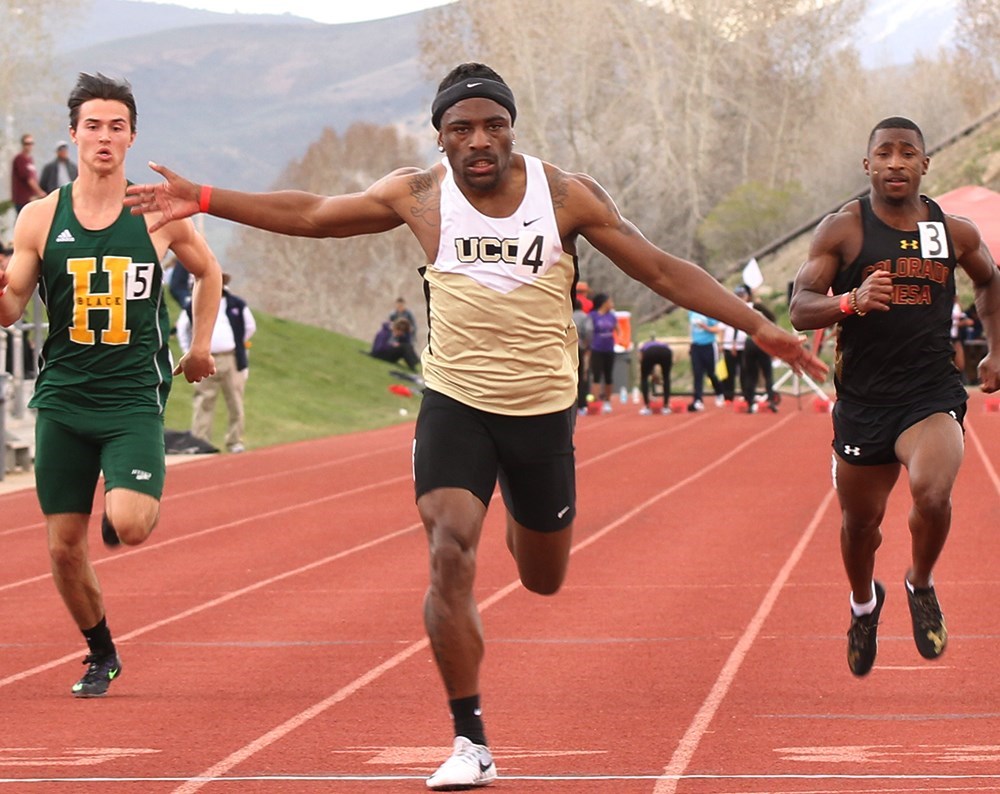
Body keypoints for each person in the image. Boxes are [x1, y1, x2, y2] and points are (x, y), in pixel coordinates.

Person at [123, 61, 825, 789]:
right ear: (442, 138)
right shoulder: (420, 196)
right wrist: (200, 196)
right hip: (456, 401)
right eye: (463, 129)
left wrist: (757, 326)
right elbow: (312, 214)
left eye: (494, 126)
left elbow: (660, 269)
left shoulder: (565, 196)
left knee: (543, 576)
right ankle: (470, 740)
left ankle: (526, 515)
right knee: (449, 548)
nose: (480, 140)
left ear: (512, 129)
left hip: (542, 408)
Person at [0, 73, 222, 698]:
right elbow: (14, 304)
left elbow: (210, 274)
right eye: (92, 125)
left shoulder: (156, 212)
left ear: (131, 135)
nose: (104, 136)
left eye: (116, 126)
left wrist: (199, 346)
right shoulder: (40, 217)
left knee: (128, 525)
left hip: (131, 400)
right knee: (63, 549)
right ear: (72, 135)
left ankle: (121, 494)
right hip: (63, 400)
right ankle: (101, 652)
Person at [789, 116, 1000, 678]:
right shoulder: (843, 230)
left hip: (930, 393)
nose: (895, 162)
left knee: (932, 494)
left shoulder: (952, 231)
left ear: (925, 164)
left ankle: (921, 584)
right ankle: (864, 605)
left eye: (908, 153)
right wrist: (851, 302)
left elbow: (990, 279)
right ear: (868, 165)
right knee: (861, 525)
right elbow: (800, 305)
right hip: (862, 403)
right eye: (884, 152)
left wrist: (995, 350)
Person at [175, 272, 256, 453]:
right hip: (204, 359)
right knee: (204, 399)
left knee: (235, 400)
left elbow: (250, 326)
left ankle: (235, 441)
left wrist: (237, 344)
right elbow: (182, 329)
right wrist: (189, 353)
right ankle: (200, 441)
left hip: (231, 357)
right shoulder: (192, 305)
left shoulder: (236, 303)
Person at [739, 286, 780, 413]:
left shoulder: (740, 307)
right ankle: (771, 401)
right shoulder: (757, 306)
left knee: (751, 375)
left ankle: (750, 404)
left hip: (749, 341)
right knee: (767, 374)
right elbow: (773, 317)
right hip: (761, 341)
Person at [687, 309, 724, 411]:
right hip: (696, 346)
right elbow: (690, 327)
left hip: (709, 345)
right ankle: (698, 399)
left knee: (711, 373)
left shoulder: (709, 312)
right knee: (697, 373)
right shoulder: (691, 312)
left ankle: (720, 392)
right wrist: (690, 341)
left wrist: (705, 327)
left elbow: (717, 329)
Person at [588, 292, 617, 411]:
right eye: (610, 301)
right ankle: (595, 401)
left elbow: (617, 329)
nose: (612, 304)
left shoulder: (612, 316)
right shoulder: (593, 315)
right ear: (604, 303)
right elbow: (589, 331)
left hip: (609, 348)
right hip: (596, 348)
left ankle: (607, 401)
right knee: (596, 375)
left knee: (608, 375)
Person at [10, 133, 46, 213]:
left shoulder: (29, 159)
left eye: (31, 143)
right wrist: (40, 192)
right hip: (22, 199)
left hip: (30, 199)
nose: (29, 146)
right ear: (23, 144)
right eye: (27, 143)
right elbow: (29, 179)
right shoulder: (20, 159)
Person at [638, 336, 673, 415]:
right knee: (666, 377)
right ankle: (666, 407)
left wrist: (649, 373)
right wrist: (655, 375)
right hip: (666, 352)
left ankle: (647, 407)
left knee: (644, 378)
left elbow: (641, 360)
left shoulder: (645, 346)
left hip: (650, 353)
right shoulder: (663, 344)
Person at [572, 297, 593, 414]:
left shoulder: (568, 315)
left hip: (566, 348)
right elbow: (589, 330)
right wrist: (586, 344)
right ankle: (582, 405)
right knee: (581, 375)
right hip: (580, 347)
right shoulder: (585, 317)